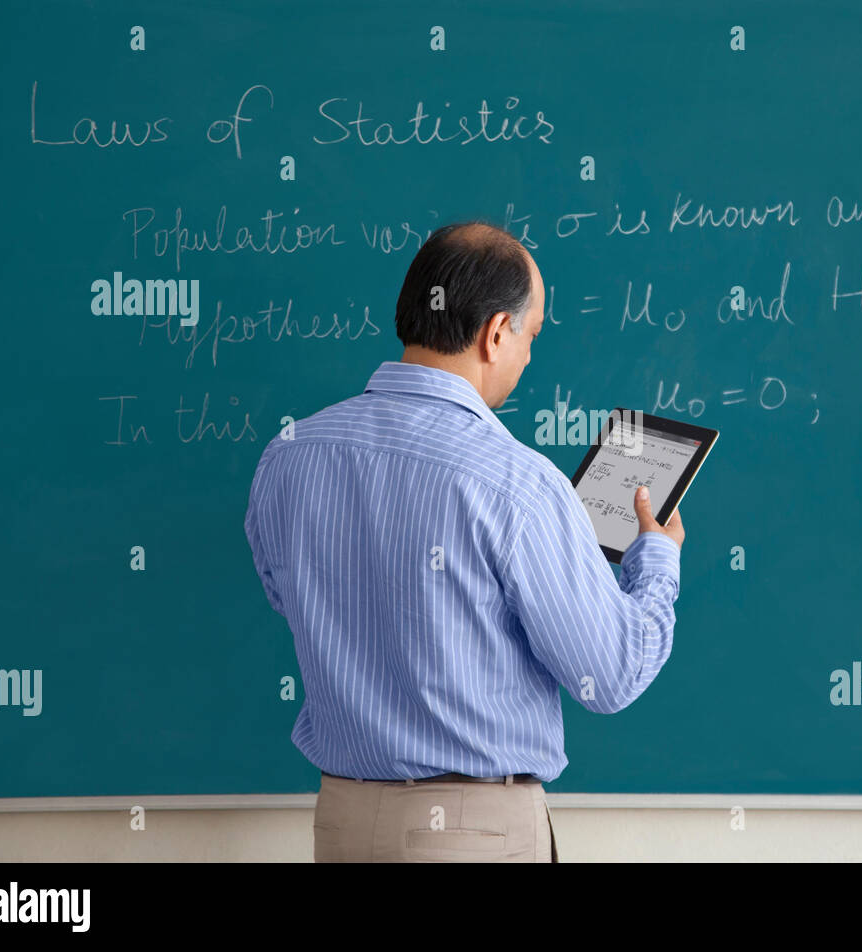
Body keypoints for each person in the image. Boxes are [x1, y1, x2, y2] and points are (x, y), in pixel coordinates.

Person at [244, 221, 684, 862]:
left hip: (340, 825)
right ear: (496, 333)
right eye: (530, 336)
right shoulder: (520, 484)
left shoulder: (289, 456)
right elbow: (610, 675)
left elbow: (295, 599)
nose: (529, 357)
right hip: (473, 835)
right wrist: (656, 560)